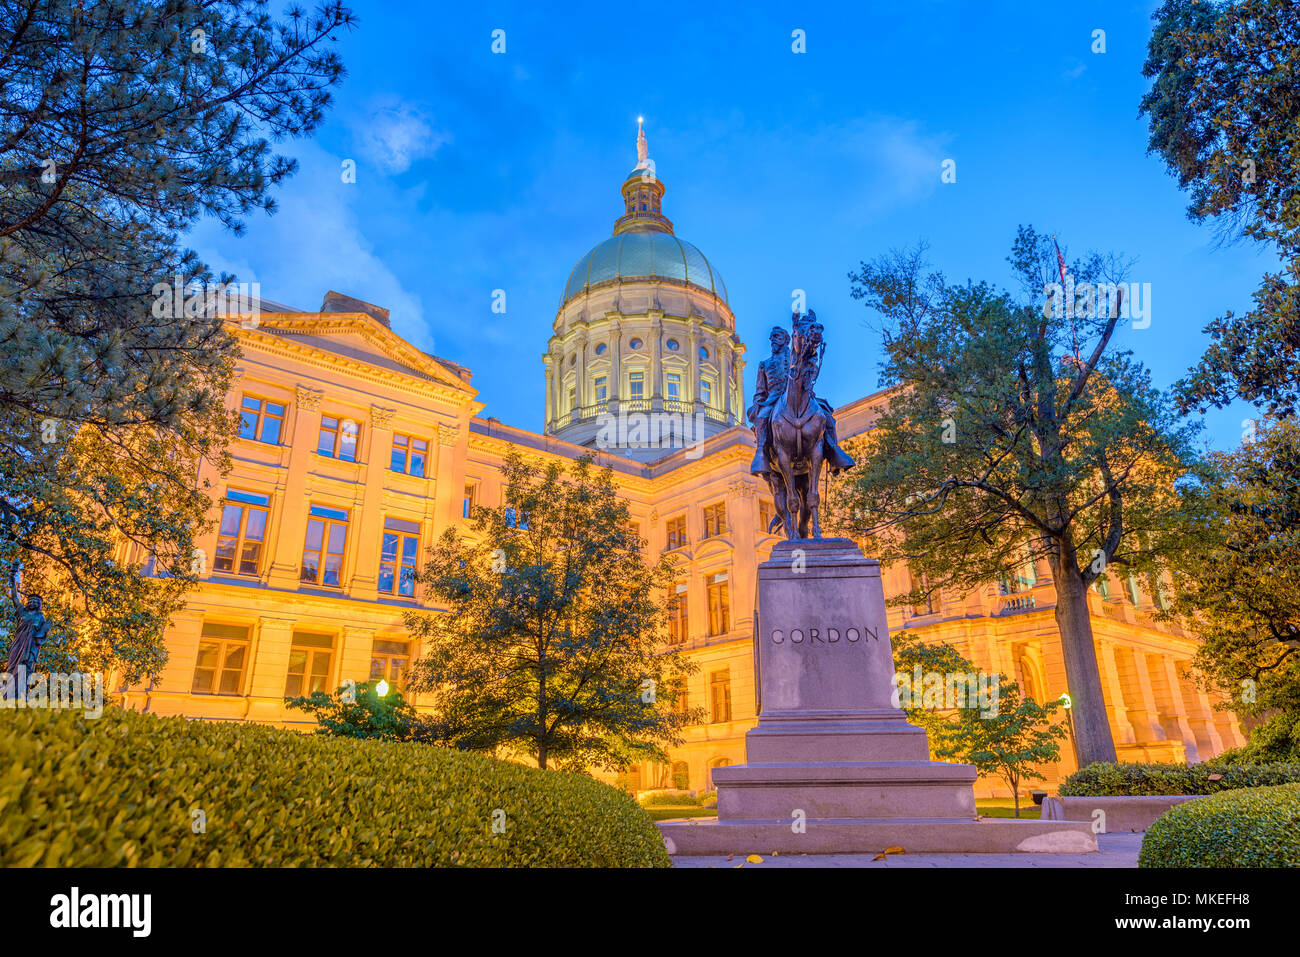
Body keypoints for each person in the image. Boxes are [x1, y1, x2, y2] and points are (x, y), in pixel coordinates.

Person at [747, 317, 854, 476]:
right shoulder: (765, 364)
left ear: (785, 339)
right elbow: (760, 391)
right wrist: (757, 404)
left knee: (827, 417)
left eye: (776, 337)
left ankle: (833, 450)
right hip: (774, 399)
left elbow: (811, 367)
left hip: (802, 393)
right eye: (772, 338)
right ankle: (761, 452)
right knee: (762, 418)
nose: (773, 341)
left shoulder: (795, 356)